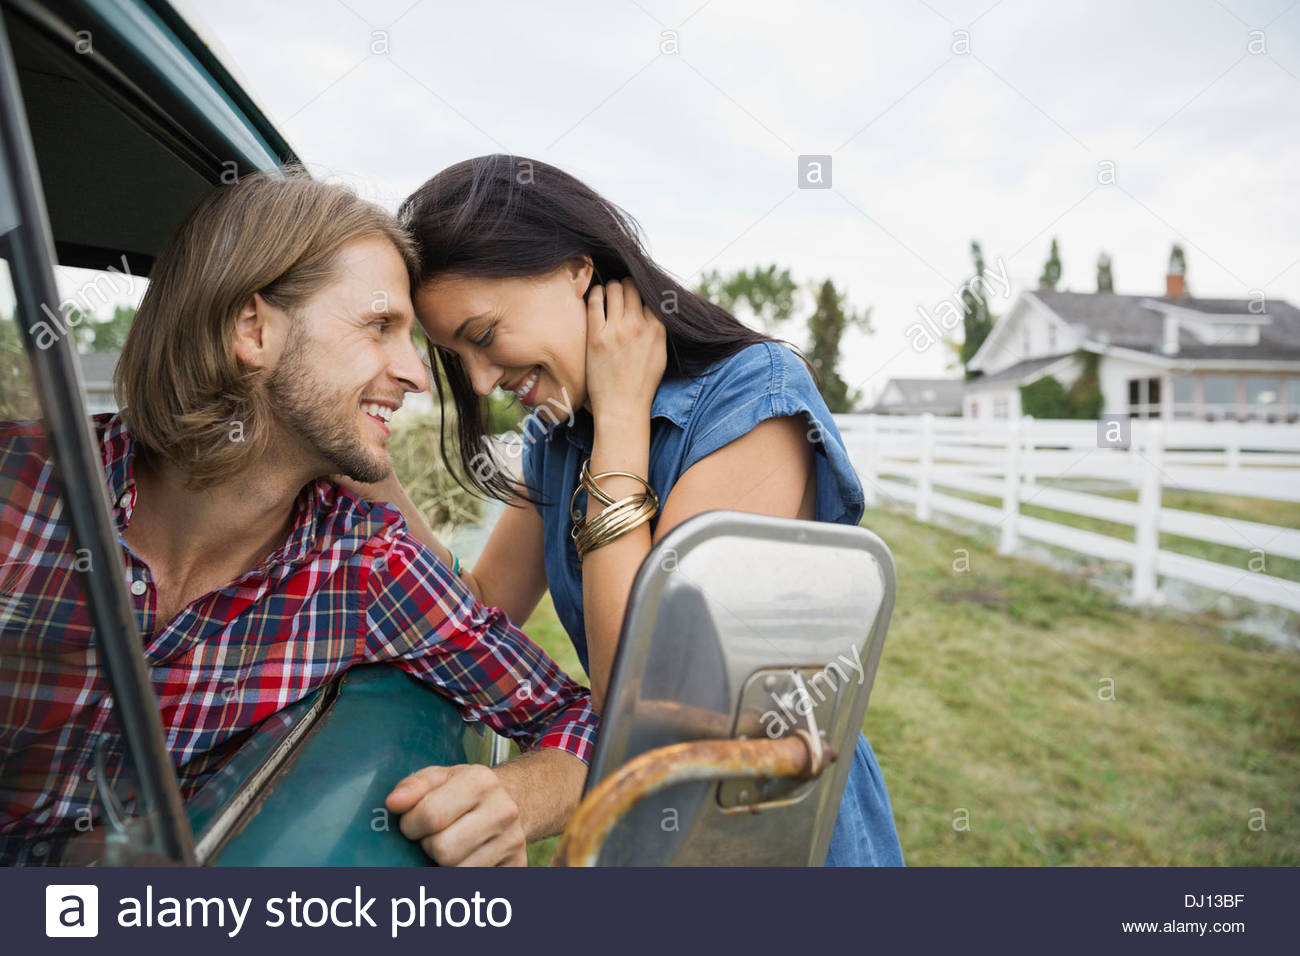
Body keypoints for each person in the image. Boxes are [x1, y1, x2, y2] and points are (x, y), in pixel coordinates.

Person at [0, 170, 595, 867]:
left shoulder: (368, 567)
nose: (417, 374)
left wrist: (514, 799)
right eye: (380, 327)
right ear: (253, 328)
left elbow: (574, 719)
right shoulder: (21, 486)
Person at [350, 154, 905, 866]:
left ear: (577, 273)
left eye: (484, 336)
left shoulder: (752, 400)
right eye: (458, 356)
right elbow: (480, 605)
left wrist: (620, 421)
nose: (483, 379)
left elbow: (645, 703)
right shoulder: (558, 435)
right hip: (646, 829)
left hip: (766, 832)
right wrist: (367, 466)